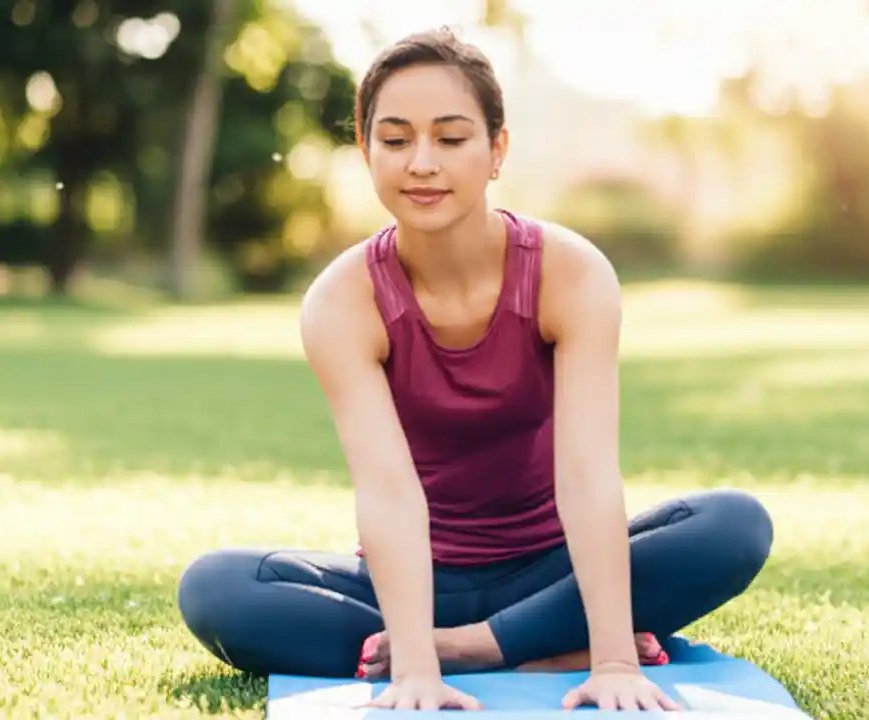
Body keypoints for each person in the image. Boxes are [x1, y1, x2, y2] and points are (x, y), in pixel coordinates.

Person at [176, 27, 774, 713]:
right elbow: (388, 494)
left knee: (733, 526)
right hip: (412, 583)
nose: (421, 163)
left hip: (557, 572)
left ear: (497, 150)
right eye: (395, 140)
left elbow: (586, 475)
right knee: (216, 589)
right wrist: (416, 667)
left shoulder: (569, 274)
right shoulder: (342, 303)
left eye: (451, 138)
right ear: (365, 149)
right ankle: (519, 644)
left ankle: (483, 645)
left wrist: (610, 658)